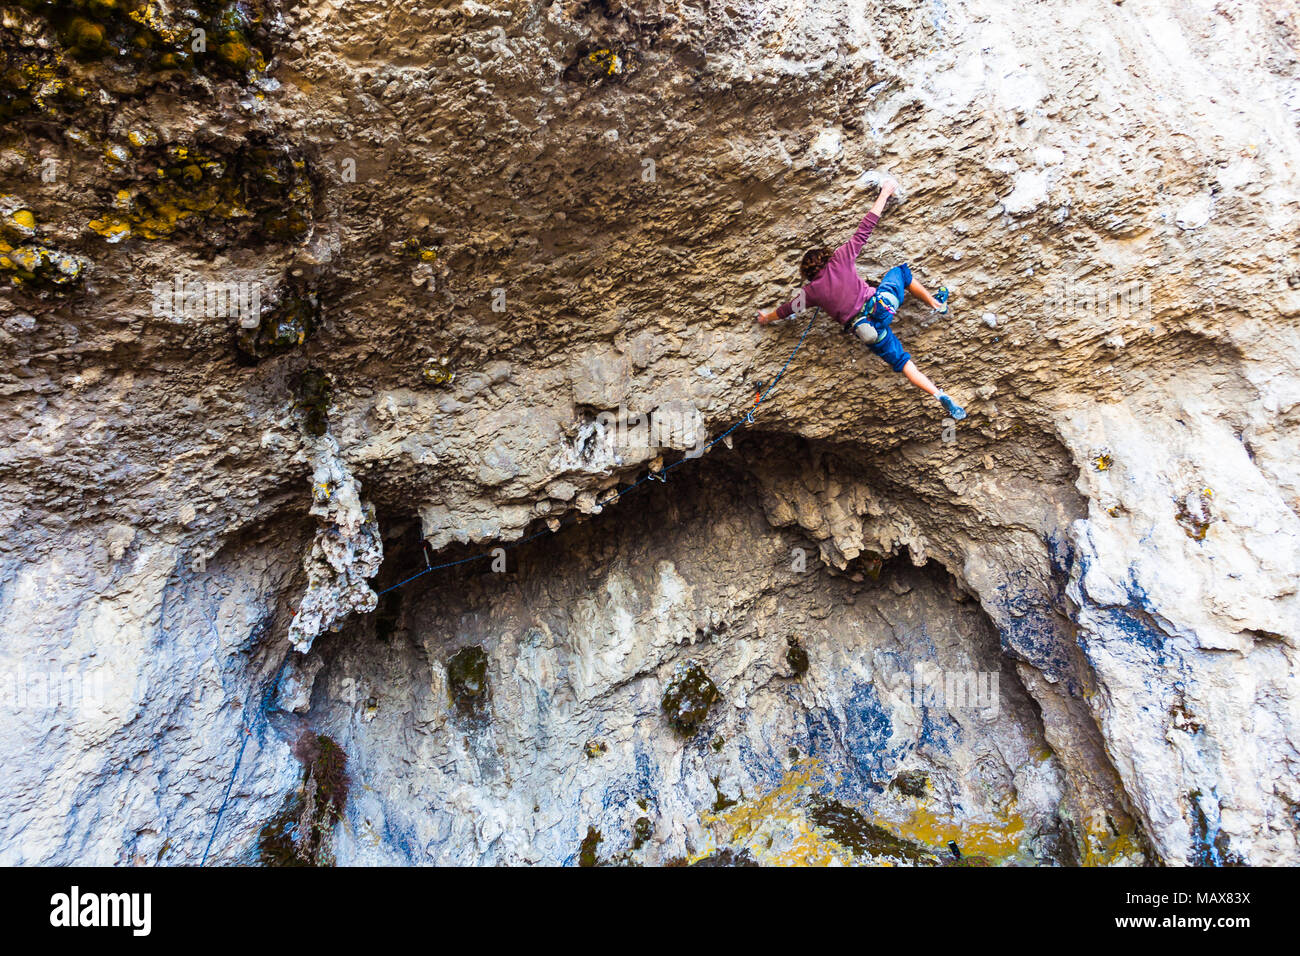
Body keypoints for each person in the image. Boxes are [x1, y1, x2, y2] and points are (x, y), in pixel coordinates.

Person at [756, 178, 967, 420]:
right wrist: (885, 193)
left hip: (867, 331)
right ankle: (936, 304)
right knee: (901, 273)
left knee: (903, 362)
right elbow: (865, 227)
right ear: (825, 258)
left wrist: (766, 318)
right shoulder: (840, 258)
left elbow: (786, 310)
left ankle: (938, 393)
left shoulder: (810, 292)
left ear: (809, 274)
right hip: (881, 305)